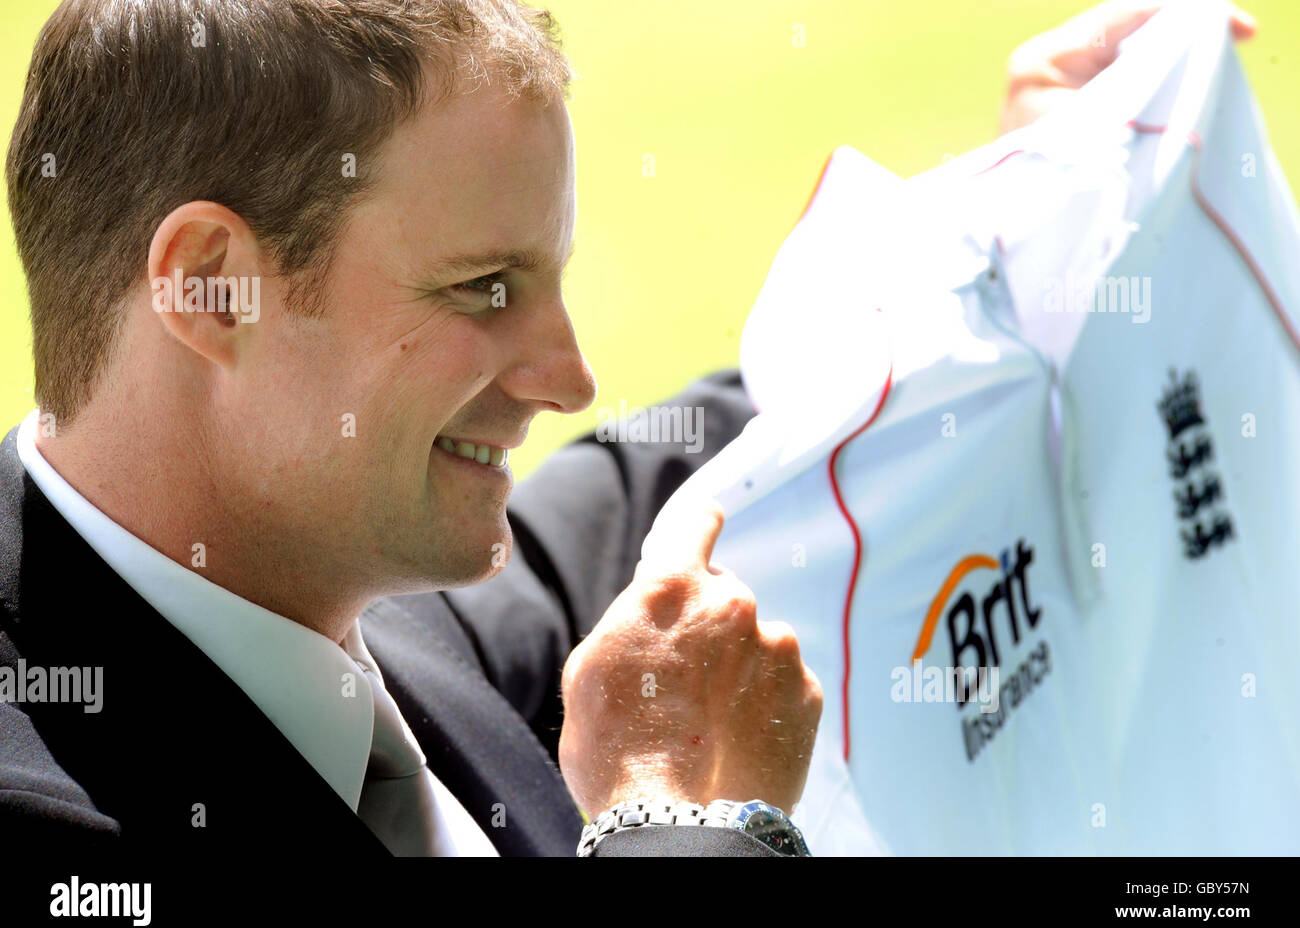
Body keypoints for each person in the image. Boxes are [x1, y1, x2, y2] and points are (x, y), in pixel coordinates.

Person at [0, 0, 1256, 857]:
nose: (571, 376)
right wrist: (673, 823)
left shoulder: (355, 617)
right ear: (214, 282)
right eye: (482, 289)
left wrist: (1018, 226)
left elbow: (665, 482)